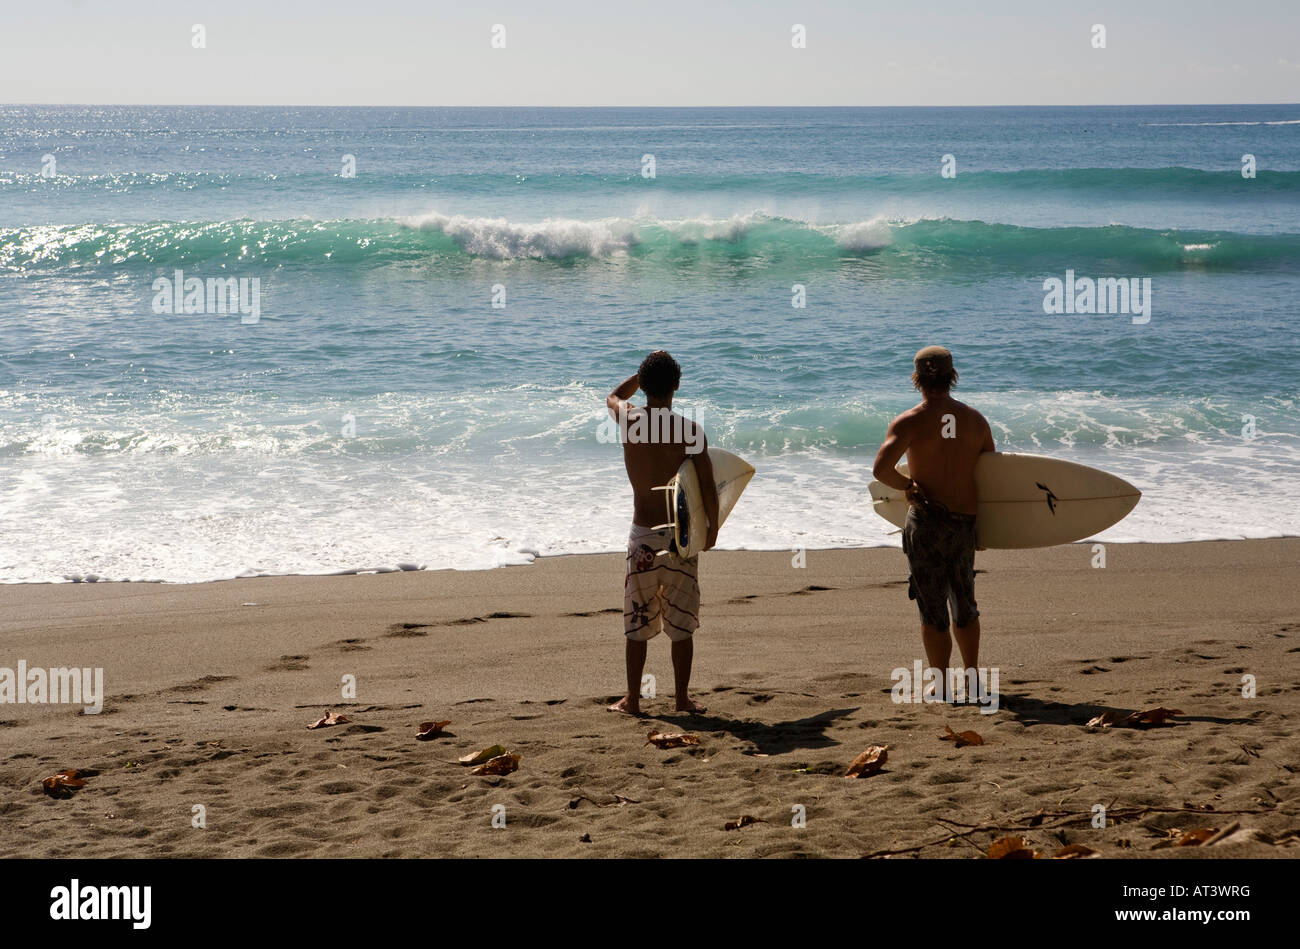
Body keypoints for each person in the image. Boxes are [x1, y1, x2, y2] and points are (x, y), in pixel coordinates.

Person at [873, 346, 994, 701]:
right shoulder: (975, 420)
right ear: (951, 376)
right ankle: (972, 680)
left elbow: (881, 471)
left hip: (925, 523)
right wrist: (987, 528)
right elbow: (992, 478)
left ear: (918, 379)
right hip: (964, 523)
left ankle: (940, 683)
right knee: (965, 601)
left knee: (931, 605)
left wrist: (907, 486)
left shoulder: (910, 421)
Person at [606, 351, 718, 715]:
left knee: (637, 619)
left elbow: (613, 397)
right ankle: (682, 698)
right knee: (682, 621)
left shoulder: (630, 420)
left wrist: (639, 375)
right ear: (677, 386)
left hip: (642, 535)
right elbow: (707, 488)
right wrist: (711, 531)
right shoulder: (690, 430)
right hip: (680, 538)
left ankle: (633, 700)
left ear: (644, 385)